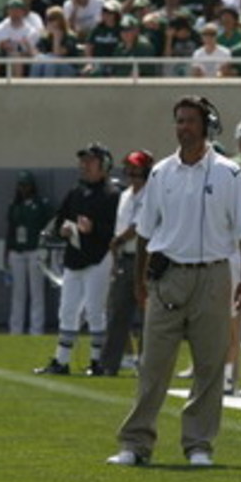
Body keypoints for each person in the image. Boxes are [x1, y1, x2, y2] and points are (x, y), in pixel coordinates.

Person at [108, 96, 241, 466]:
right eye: (179, 121)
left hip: (213, 274)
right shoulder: (161, 172)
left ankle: (199, 444)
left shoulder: (229, 173)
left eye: (191, 121)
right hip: (169, 274)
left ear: (206, 126)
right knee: (154, 364)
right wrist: (141, 279)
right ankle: (135, 443)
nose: (184, 128)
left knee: (210, 365)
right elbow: (146, 231)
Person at [35, 144, 119, 377]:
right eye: (83, 161)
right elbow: (60, 218)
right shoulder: (76, 192)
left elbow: (115, 231)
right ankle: (61, 361)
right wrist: (61, 229)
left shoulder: (112, 194)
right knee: (67, 309)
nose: (85, 166)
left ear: (104, 166)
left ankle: (96, 361)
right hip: (75, 256)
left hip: (99, 257)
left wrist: (94, 228)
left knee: (95, 309)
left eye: (90, 161)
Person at [101, 150, 154, 376]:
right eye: (129, 170)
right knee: (117, 312)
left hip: (146, 258)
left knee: (147, 315)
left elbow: (139, 227)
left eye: (137, 170)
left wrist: (119, 240)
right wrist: (115, 256)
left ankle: (146, 363)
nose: (132, 174)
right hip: (124, 257)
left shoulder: (152, 195)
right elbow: (119, 226)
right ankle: (109, 363)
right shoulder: (125, 196)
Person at [5, 171, 51, 335]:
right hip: (17, 252)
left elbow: (50, 226)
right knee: (18, 293)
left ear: (32, 186)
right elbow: (10, 230)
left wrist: (46, 249)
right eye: (21, 185)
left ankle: (36, 330)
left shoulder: (41, 204)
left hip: (35, 251)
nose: (23, 188)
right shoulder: (15, 205)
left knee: (36, 293)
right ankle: (15, 330)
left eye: (26, 185)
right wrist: (7, 253)